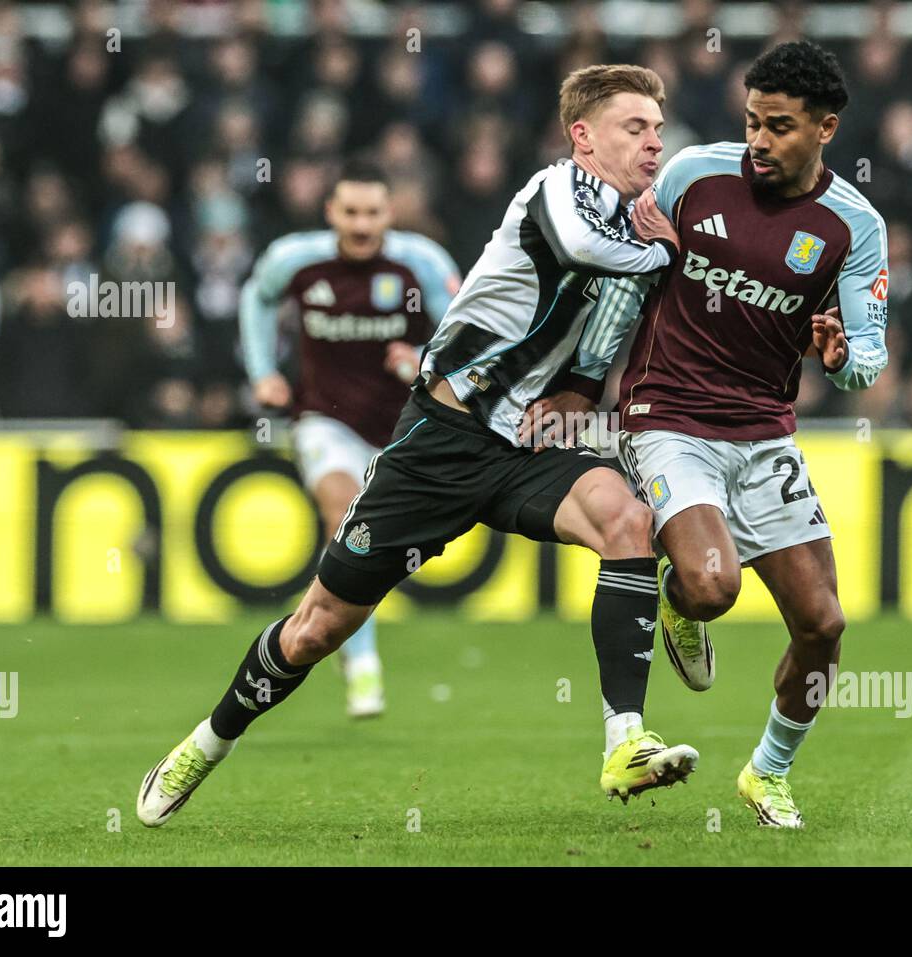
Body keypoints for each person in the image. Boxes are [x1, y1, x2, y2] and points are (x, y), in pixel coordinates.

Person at [138, 64, 698, 828]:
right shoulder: (555, 193)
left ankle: (624, 742)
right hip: (442, 438)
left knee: (628, 521)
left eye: (658, 130)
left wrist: (582, 388)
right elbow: (576, 247)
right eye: (635, 128)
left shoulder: (637, 231)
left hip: (526, 447)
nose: (654, 143)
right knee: (317, 628)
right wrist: (670, 255)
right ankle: (208, 741)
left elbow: (614, 333)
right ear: (584, 136)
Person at [551, 41, 889, 828]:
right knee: (712, 586)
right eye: (751, 123)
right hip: (667, 414)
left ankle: (767, 772)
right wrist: (584, 382)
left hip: (764, 431)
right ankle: (680, 599)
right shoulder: (693, 175)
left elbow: (868, 352)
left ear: (825, 129)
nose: (759, 142)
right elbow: (625, 274)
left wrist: (843, 359)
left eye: (778, 127)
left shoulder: (854, 226)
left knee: (824, 624)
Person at [239, 161, 462, 718]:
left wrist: (423, 360)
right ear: (330, 212)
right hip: (326, 419)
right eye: (351, 212)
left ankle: (339, 634)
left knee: (379, 540)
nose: (362, 225)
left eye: (373, 213)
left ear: (390, 212)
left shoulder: (422, 263)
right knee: (345, 519)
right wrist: (264, 370)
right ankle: (363, 664)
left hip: (405, 427)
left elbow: (467, 329)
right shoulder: (296, 259)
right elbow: (256, 299)